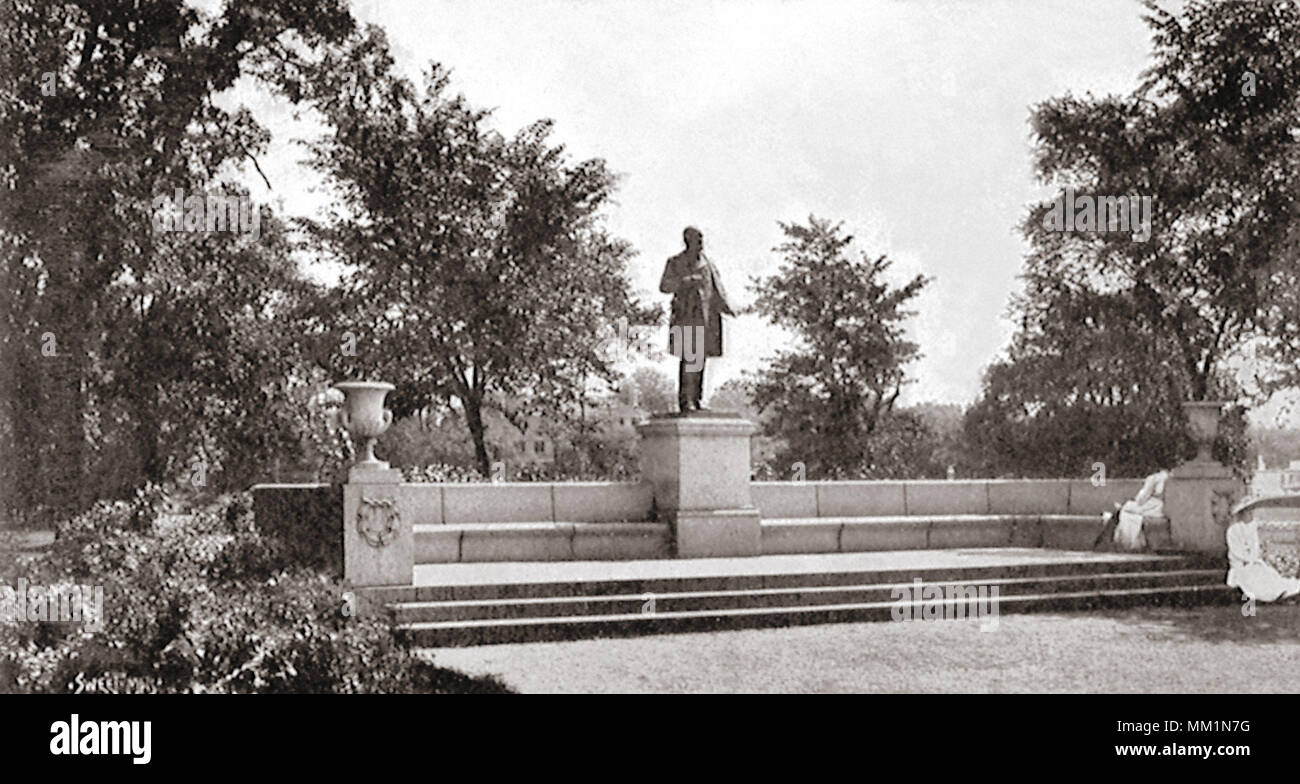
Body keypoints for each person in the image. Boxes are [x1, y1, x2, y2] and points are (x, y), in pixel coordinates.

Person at [658, 226, 735, 412]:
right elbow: (664, 286)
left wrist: (728, 307)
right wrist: (686, 281)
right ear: (688, 241)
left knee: (701, 359)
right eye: (697, 240)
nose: (701, 244)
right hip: (686, 316)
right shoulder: (675, 262)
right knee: (689, 358)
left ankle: (698, 399)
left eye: (701, 240)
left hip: (707, 317)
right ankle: (686, 401)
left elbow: (717, 289)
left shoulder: (708, 263)